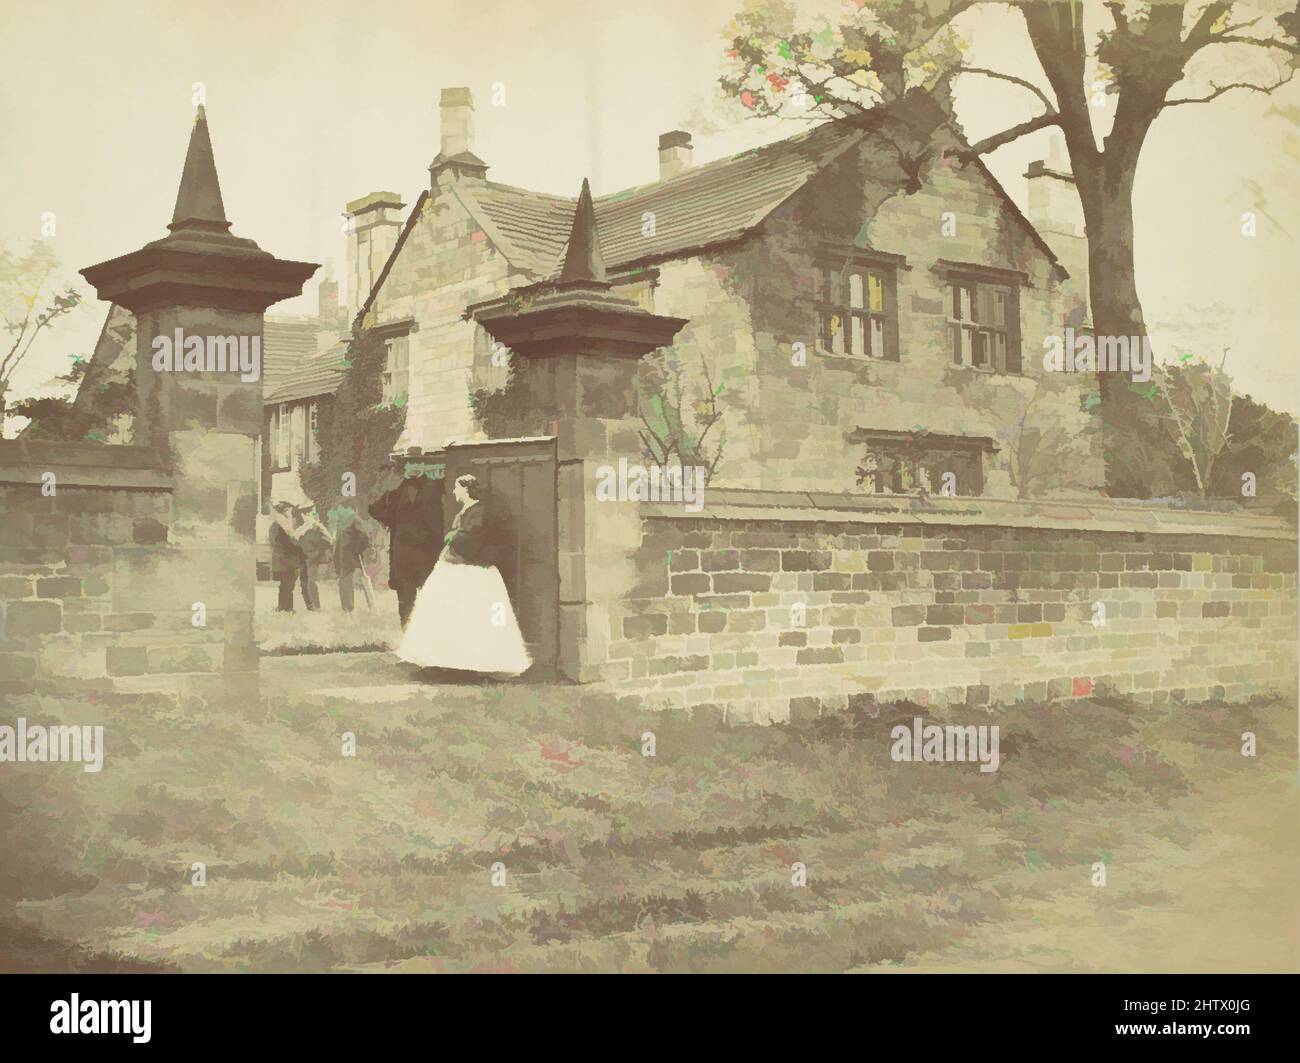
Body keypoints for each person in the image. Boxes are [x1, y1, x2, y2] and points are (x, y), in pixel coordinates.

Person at [396, 474, 531, 676]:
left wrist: (453, 536)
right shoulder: (467, 510)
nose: (453, 492)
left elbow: (473, 536)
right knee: (447, 613)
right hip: (454, 566)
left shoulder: (478, 510)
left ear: (466, 489)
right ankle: (445, 661)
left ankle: (473, 664)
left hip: (472, 569)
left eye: (457, 488)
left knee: (472, 615)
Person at [368, 466, 444, 628]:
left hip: (427, 554)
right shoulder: (395, 491)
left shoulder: (436, 487)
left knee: (431, 595)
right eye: (410, 463)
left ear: (423, 466)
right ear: (406, 467)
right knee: (406, 599)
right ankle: (407, 633)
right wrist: (390, 520)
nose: (414, 467)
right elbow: (373, 508)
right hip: (403, 556)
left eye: (418, 463)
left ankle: (431, 631)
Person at [331, 506, 373, 612]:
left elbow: (365, 541)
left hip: (350, 561)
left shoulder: (355, 526)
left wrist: (359, 552)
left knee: (349, 584)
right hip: (347, 562)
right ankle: (348, 608)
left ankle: (351, 608)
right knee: (345, 584)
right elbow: (340, 550)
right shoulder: (347, 530)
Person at [269, 499, 309, 612]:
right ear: (284, 512)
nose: (290, 514)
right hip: (285, 560)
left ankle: (283, 607)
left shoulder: (278, 525)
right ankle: (286, 608)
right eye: (289, 511)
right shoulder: (282, 526)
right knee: (288, 584)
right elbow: (286, 543)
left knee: (285, 584)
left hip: (283, 559)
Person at [294, 504, 333, 612]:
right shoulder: (300, 526)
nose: (313, 515)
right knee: (304, 583)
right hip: (302, 557)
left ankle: (316, 606)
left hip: (312, 558)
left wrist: (319, 528)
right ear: (304, 515)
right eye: (311, 513)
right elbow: (294, 538)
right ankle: (310, 606)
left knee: (311, 582)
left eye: (313, 513)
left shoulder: (317, 526)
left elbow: (330, 539)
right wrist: (304, 528)